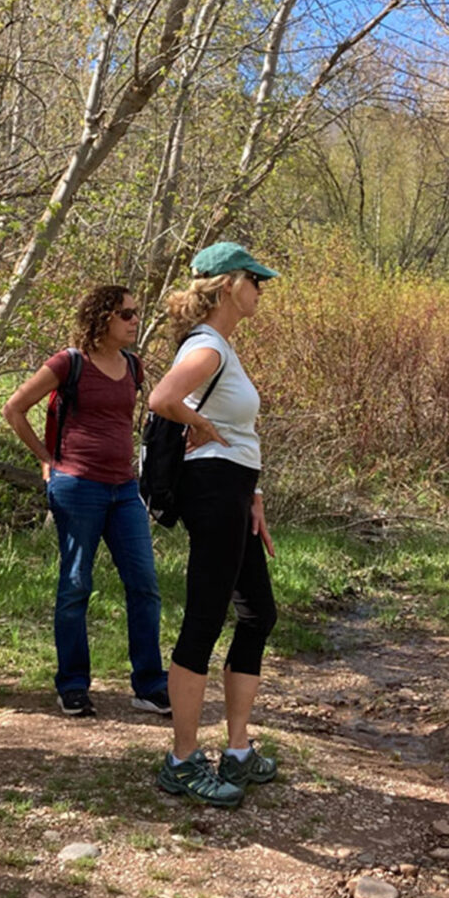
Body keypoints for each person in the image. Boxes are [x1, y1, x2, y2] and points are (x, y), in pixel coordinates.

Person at [146, 242, 281, 809]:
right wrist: (199, 425)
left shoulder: (223, 347)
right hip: (212, 490)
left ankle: (238, 749)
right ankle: (180, 760)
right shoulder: (207, 347)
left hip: (233, 490)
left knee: (259, 613)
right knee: (205, 618)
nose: (261, 290)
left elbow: (236, 429)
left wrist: (252, 494)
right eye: (256, 280)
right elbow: (162, 398)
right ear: (229, 284)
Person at [1, 285, 170, 718]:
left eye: (136, 313)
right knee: (76, 583)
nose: (135, 320)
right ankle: (73, 684)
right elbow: (15, 408)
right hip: (78, 488)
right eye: (126, 314)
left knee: (145, 584)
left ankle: (150, 685)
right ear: (102, 318)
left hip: (125, 490)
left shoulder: (134, 366)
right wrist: (46, 459)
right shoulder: (69, 362)